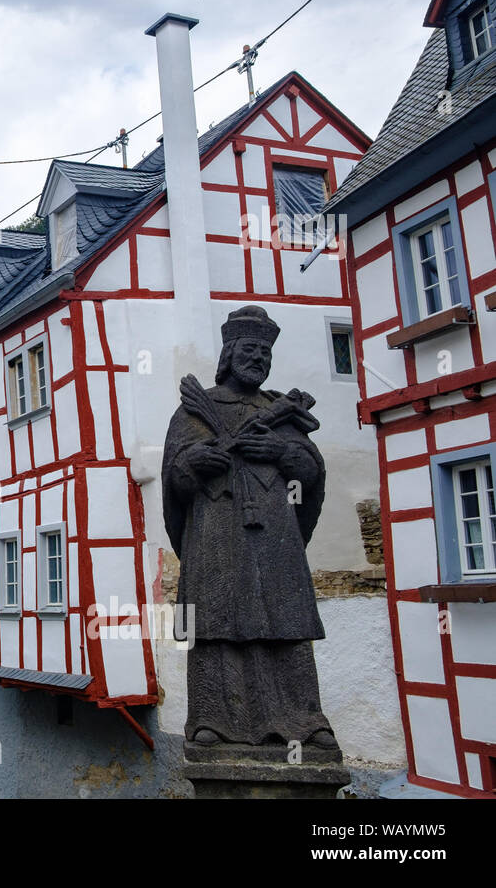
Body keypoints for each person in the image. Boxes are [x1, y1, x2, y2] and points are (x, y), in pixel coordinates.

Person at [161, 305, 338, 750]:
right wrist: (193, 463)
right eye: (249, 349)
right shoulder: (195, 413)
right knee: (217, 618)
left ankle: (304, 719)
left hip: (275, 533)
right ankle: (214, 720)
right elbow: (173, 480)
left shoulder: (282, 412)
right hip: (216, 532)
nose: (258, 358)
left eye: (265, 351)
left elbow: (311, 472)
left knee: (286, 618)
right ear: (229, 353)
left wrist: (282, 452)